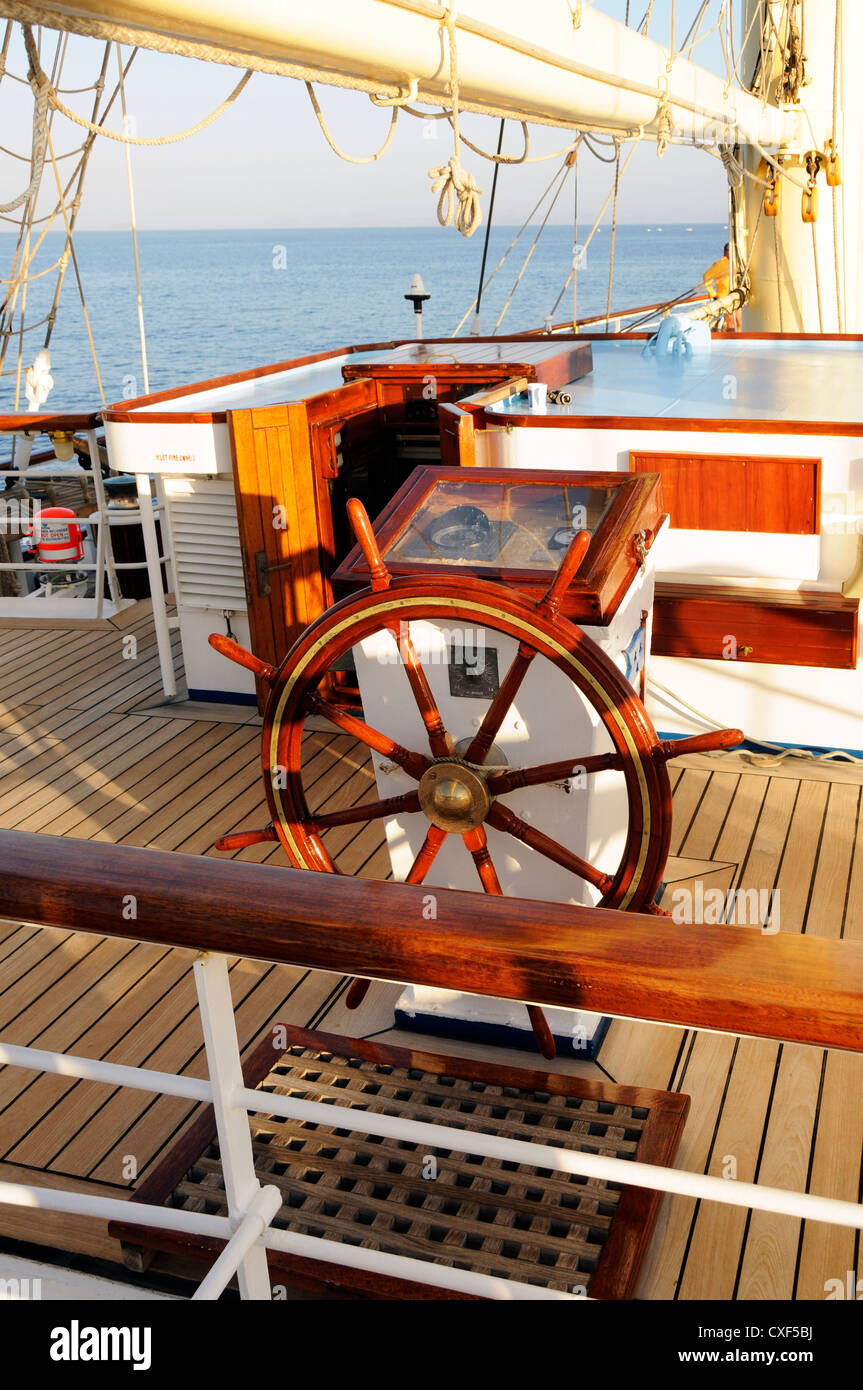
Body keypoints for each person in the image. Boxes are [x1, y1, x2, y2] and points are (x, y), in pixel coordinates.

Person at [703, 242, 741, 331]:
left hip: (737, 296)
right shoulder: (720, 264)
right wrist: (712, 293)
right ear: (725, 252)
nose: (731, 252)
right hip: (725, 298)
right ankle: (731, 342)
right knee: (730, 322)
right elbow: (707, 276)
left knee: (740, 322)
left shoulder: (737, 263)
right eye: (729, 250)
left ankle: (739, 340)